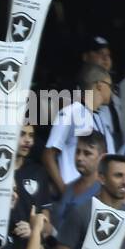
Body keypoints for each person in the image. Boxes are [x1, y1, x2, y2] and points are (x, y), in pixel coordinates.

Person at [43, 64, 115, 195]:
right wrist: (65, 191)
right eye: (110, 86)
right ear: (99, 85)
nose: (111, 91)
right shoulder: (71, 112)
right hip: (75, 193)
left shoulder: (99, 119)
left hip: (98, 195)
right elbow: (48, 155)